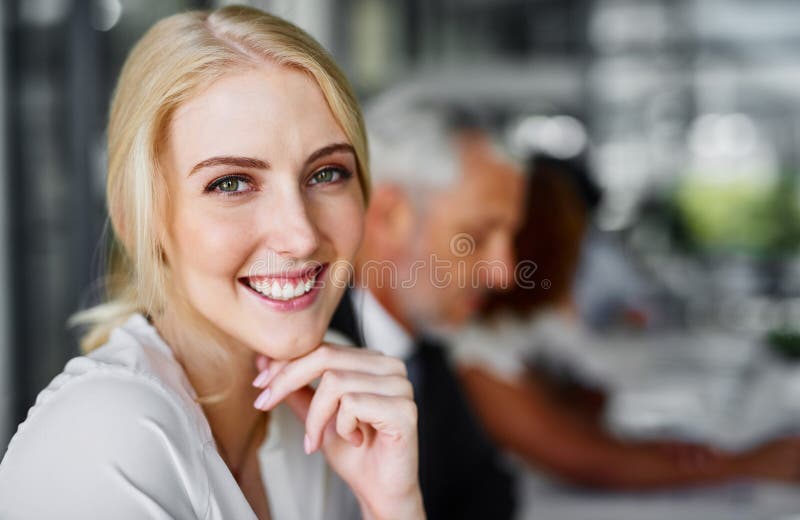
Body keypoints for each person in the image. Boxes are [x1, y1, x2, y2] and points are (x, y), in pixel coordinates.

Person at [0, 6, 424, 520]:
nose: (300, 234)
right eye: (231, 184)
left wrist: (393, 505)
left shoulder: (328, 400)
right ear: (140, 219)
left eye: (327, 173)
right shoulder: (104, 436)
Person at [453, 154, 800, 489]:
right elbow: (585, 459)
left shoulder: (520, 323)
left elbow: (585, 416)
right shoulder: (473, 344)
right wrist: (744, 464)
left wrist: (652, 455)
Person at [328, 99, 523, 518]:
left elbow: (487, 492)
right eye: (474, 237)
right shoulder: (311, 353)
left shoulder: (426, 353)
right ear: (389, 216)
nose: (503, 273)